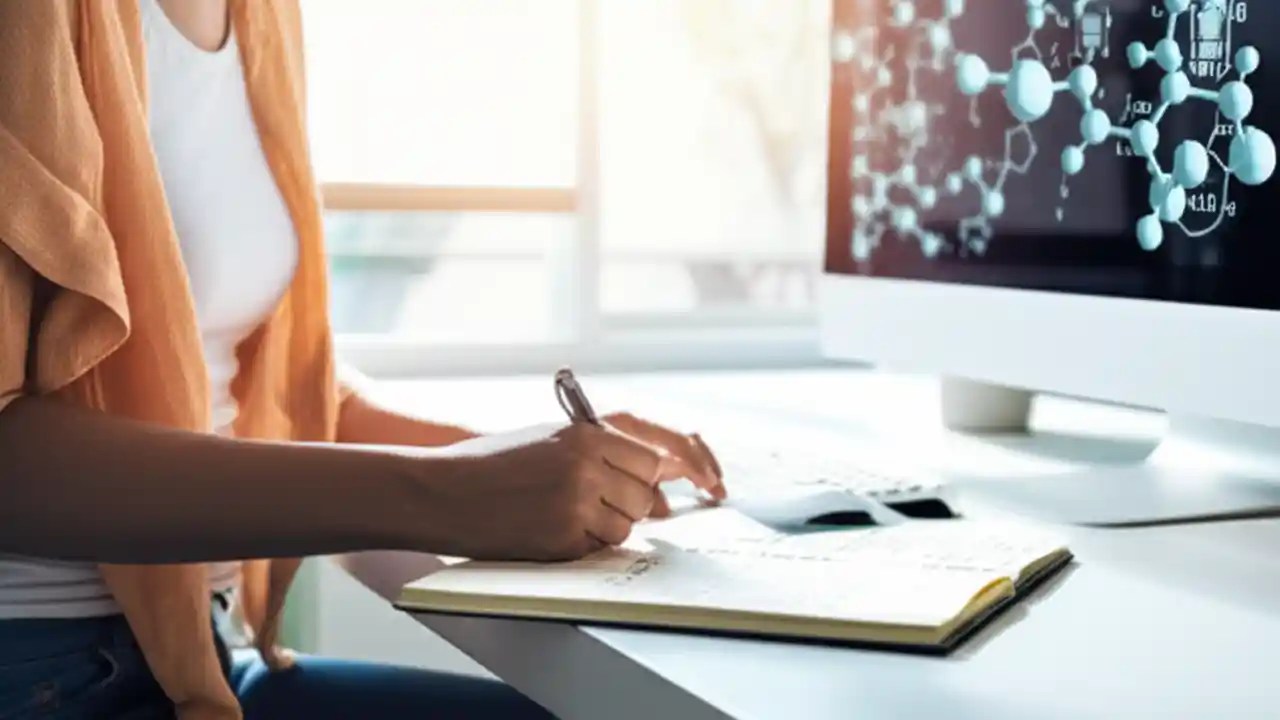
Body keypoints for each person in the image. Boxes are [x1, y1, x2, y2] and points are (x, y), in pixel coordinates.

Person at [0, 1, 726, 718]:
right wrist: (446, 493)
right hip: (43, 670)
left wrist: (539, 464)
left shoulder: (261, 15)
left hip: (191, 656)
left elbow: (264, 383)